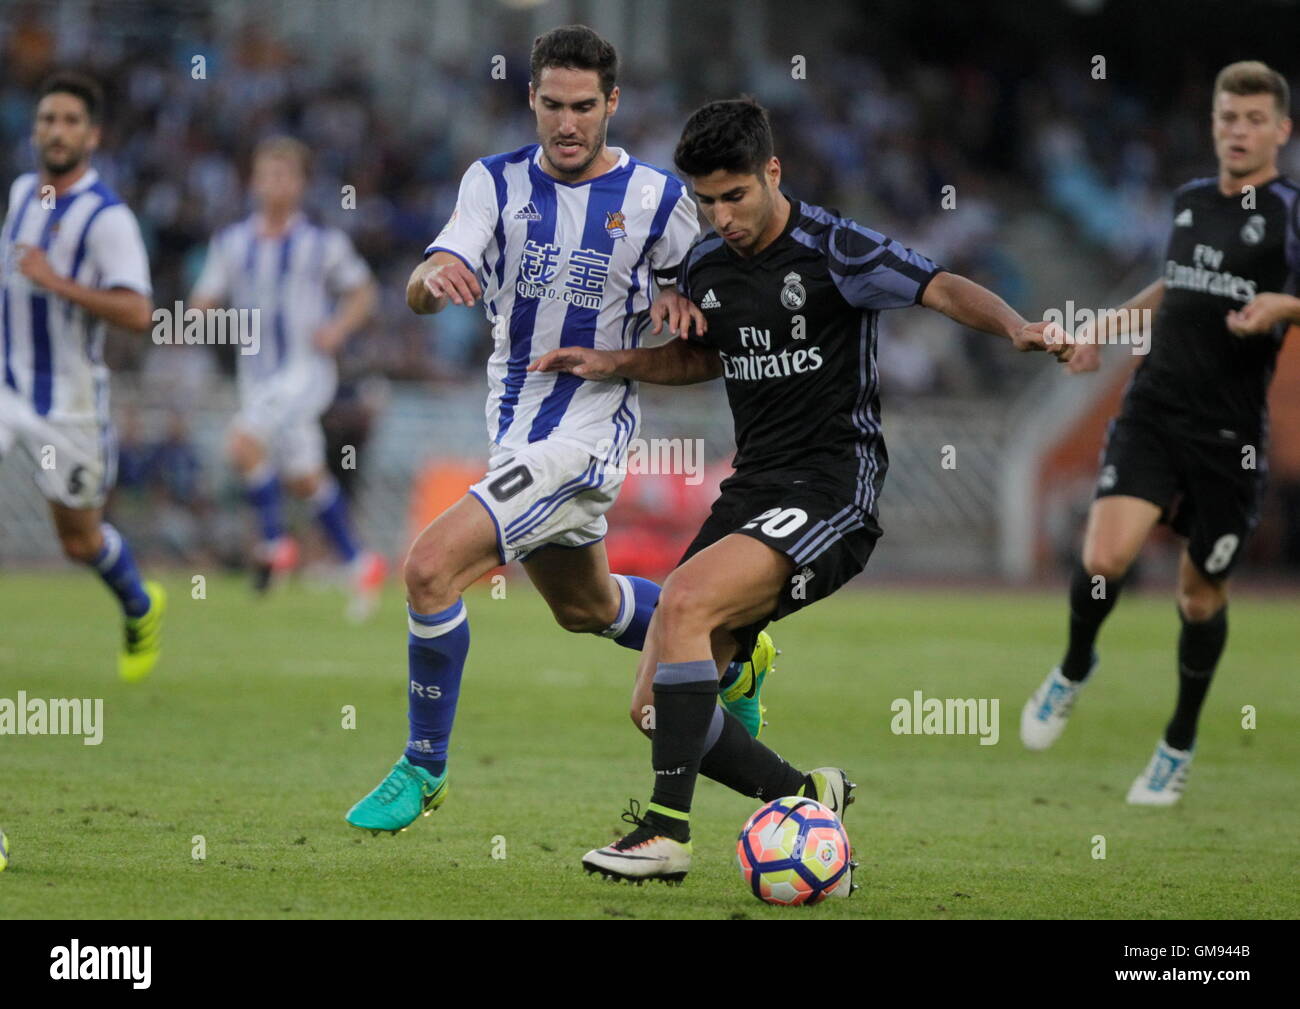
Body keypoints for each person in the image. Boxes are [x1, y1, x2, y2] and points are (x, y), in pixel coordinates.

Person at [532, 97, 1064, 884]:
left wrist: (1019, 327)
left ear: (772, 172)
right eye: (706, 202)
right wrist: (616, 362)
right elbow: (706, 357)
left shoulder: (836, 249)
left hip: (833, 486)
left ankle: (665, 833)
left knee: (681, 601)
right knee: (656, 711)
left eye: (735, 196)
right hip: (753, 490)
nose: (722, 217)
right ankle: (807, 795)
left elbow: (941, 285)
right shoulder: (709, 267)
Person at [344, 26, 776, 835]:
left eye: (585, 107)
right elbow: (420, 283)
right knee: (589, 607)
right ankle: (739, 648)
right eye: (553, 105)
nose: (568, 123)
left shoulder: (657, 200)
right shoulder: (493, 183)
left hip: (584, 439)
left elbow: (721, 297)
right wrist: (431, 281)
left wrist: (688, 308)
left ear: (612, 104)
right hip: (515, 435)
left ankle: (423, 767)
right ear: (531, 100)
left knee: (430, 569)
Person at [1021, 61, 1300, 805]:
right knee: (1105, 554)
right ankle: (1075, 665)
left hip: (1230, 436)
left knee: (1199, 594)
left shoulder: (1289, 214)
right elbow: (1173, 288)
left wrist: (1282, 309)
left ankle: (1177, 740)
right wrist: (1100, 332)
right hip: (1154, 410)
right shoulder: (1187, 201)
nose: (1237, 131)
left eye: (1251, 119)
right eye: (1226, 117)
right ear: (1214, 125)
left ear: (1280, 130)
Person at [0, 72, 164, 682]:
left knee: (79, 541)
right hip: (5, 383)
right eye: (47, 119)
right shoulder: (21, 193)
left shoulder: (107, 218)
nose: (56, 130)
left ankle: (139, 604)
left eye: (70, 121)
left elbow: (139, 312)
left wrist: (56, 281)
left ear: (92, 136)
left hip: (67, 403)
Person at [189, 136, 387, 620]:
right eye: (267, 174)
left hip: (305, 372)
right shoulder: (232, 243)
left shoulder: (321, 244)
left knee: (242, 443)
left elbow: (364, 292)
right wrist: (200, 319)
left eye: (285, 175)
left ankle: (275, 544)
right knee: (304, 478)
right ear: (253, 181)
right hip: (255, 377)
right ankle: (360, 564)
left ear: (299, 184)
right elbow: (202, 303)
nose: (275, 184)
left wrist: (338, 327)